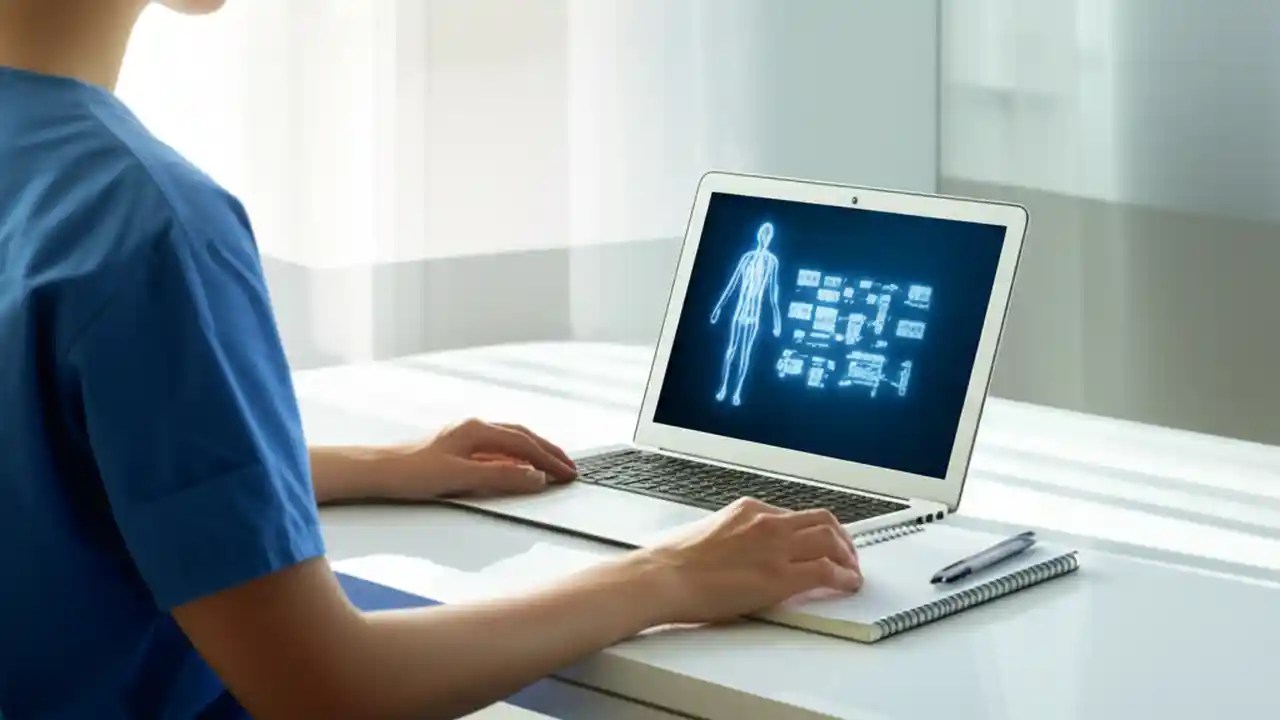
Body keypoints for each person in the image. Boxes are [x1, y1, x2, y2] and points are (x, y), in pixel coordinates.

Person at [0, 1, 863, 717]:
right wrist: (666, 575)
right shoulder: (149, 223)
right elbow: (325, 687)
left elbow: (60, 462)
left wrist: (382, 465)